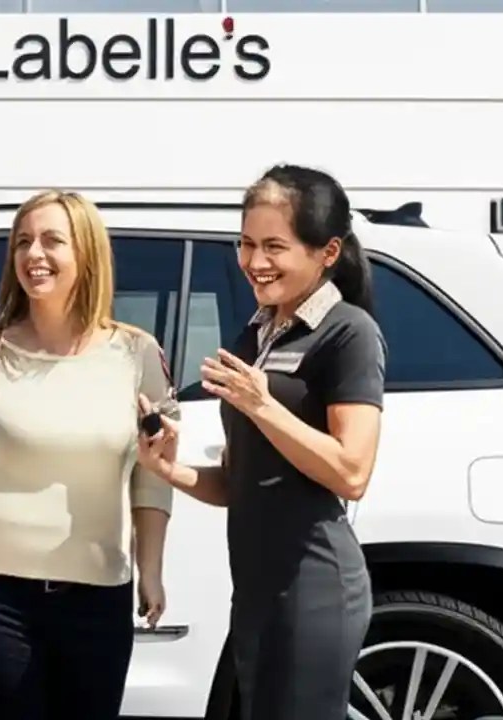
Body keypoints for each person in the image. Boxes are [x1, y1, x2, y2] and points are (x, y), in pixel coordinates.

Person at [0, 189, 176, 720]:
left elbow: (152, 476)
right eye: (23, 242)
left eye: (53, 241)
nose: (34, 254)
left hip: (99, 600)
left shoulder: (138, 355)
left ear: (87, 255)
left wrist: (151, 568)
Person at [136, 164, 387, 720]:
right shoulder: (256, 334)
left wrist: (261, 403)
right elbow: (240, 481)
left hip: (314, 588)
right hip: (256, 591)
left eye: (275, 246)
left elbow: (352, 472)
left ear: (327, 252)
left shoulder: (348, 333)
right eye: (247, 244)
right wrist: (169, 469)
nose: (255, 262)